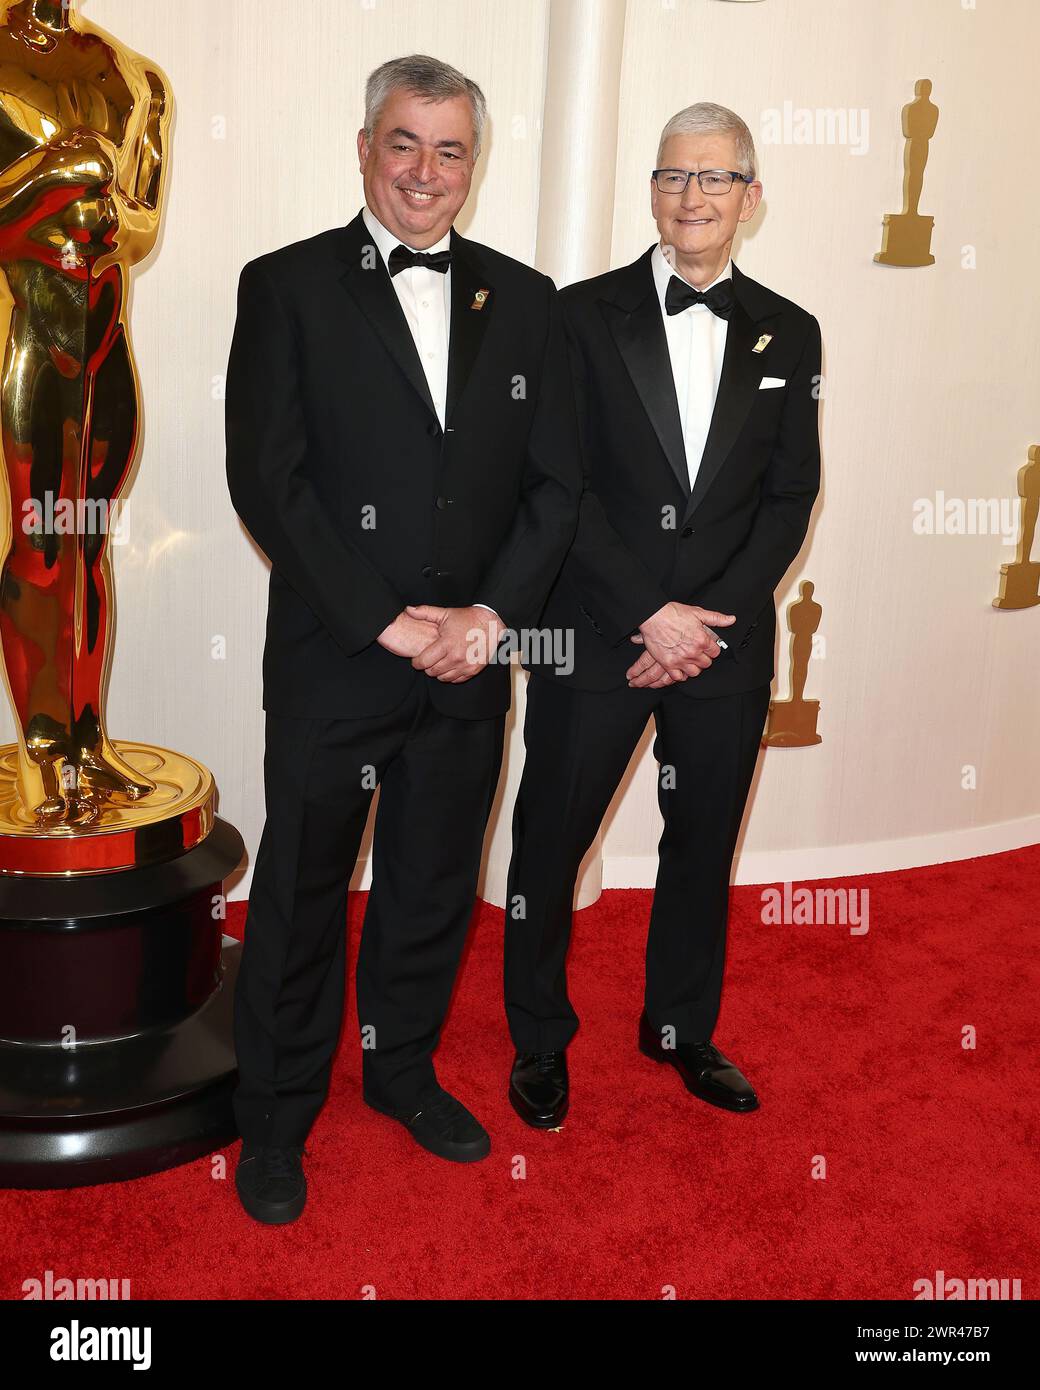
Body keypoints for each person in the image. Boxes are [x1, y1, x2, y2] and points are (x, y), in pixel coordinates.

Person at [225, 54, 580, 1223]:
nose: (425, 172)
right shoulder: (283, 287)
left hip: (471, 665)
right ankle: (272, 1121)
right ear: (363, 145)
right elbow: (269, 482)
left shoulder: (526, 300)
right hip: (338, 656)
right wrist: (381, 620)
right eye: (403, 142)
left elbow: (553, 489)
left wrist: (486, 620)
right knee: (301, 892)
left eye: (450, 149)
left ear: (473, 164)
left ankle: (400, 1070)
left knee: (433, 881)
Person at [504, 102, 822, 1130]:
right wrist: (647, 611)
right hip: (595, 630)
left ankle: (679, 1028)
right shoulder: (574, 314)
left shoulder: (792, 329)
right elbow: (558, 483)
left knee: (701, 843)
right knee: (550, 841)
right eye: (673, 177)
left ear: (749, 198)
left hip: (721, 649)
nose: (692, 197)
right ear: (650, 191)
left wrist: (707, 620)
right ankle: (539, 1038)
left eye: (715, 178)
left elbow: (788, 496)